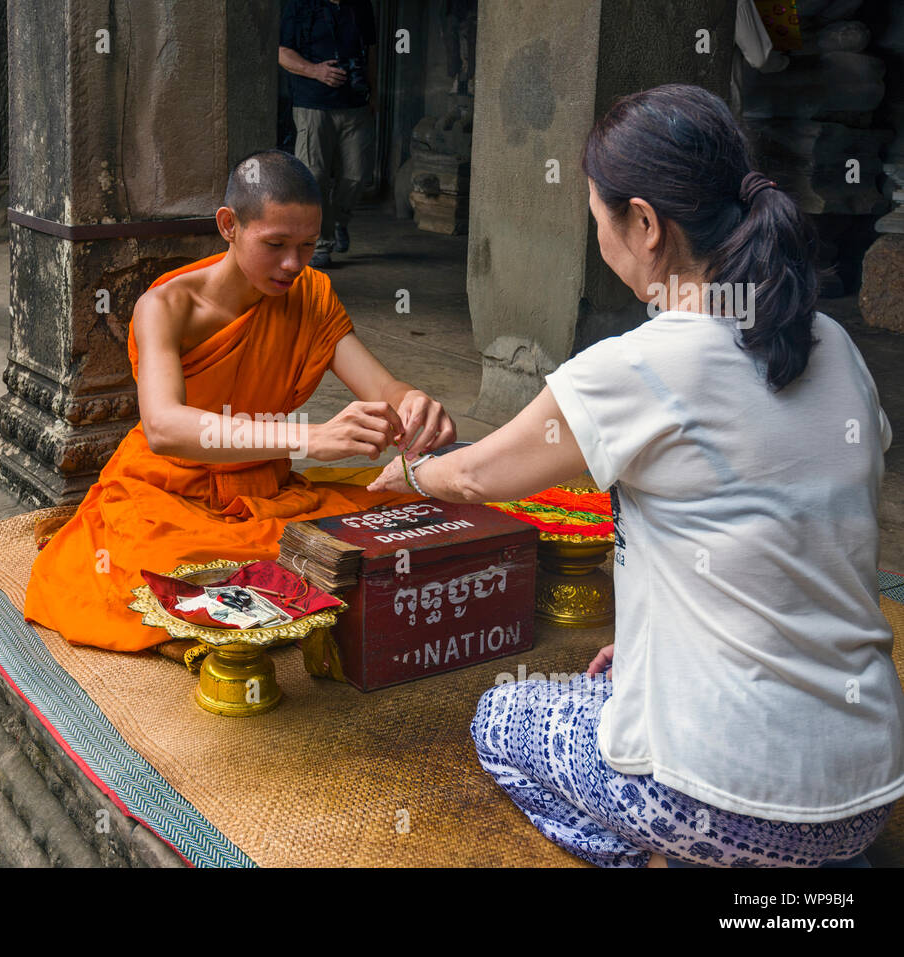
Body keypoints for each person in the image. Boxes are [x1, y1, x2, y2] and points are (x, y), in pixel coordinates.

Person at [367, 83, 903, 868]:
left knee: (501, 716)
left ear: (646, 223)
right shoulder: (832, 343)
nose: (602, 242)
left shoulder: (641, 366)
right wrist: (651, 643)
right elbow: (777, 522)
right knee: (609, 691)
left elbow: (479, 476)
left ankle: (674, 857)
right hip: (865, 793)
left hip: (720, 797)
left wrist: (413, 471)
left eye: (599, 222)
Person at [23, 149, 456, 653]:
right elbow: (164, 426)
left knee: (397, 533)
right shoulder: (164, 307)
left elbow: (382, 387)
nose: (293, 264)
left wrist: (413, 401)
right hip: (170, 491)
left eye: (308, 245)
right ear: (229, 225)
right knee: (153, 573)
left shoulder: (311, 295)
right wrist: (311, 439)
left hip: (267, 489)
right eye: (275, 244)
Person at [278, 0, 378, 269]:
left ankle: (338, 221)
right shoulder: (297, 6)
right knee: (314, 176)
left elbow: (371, 50)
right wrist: (316, 71)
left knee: (359, 175)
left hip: (355, 104)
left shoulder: (361, 5)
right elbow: (283, 53)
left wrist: (374, 92)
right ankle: (322, 243)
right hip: (312, 104)